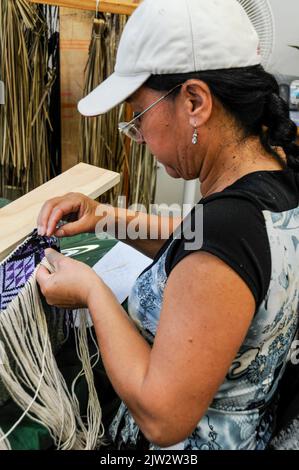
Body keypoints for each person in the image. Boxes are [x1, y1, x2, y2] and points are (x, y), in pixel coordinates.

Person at [36, 0, 299, 450]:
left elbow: (163, 418)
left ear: (194, 101)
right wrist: (106, 218)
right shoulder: (276, 170)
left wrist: (92, 292)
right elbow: (200, 250)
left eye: (138, 116)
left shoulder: (230, 227)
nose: (139, 139)